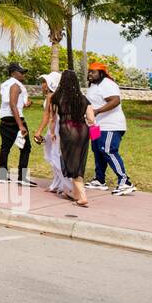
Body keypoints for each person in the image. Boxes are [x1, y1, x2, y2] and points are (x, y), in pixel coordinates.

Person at [86, 61, 134, 195]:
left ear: (101, 73)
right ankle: (99, 180)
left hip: (110, 125)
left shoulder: (107, 84)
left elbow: (115, 100)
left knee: (108, 150)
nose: (89, 74)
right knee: (97, 150)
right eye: (89, 71)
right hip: (95, 125)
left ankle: (125, 182)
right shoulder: (94, 86)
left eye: (93, 72)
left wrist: (97, 111)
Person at [52, 69, 93, 206]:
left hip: (67, 131)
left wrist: (52, 133)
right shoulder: (82, 98)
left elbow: (53, 118)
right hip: (83, 131)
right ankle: (76, 194)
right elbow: (91, 118)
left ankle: (82, 196)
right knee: (79, 162)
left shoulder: (57, 97)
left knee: (72, 163)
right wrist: (95, 135)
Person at [0, 62, 33, 186]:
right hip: (16, 119)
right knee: (26, 148)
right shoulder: (15, 85)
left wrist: (25, 104)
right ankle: (21, 178)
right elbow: (13, 105)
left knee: (5, 147)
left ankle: (2, 175)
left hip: (5, 119)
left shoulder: (6, 85)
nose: (23, 74)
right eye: (20, 72)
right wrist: (20, 125)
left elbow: (12, 103)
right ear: (13, 73)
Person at [37, 72, 70, 196]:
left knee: (56, 156)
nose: (42, 85)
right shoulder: (58, 95)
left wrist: (39, 131)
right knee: (51, 155)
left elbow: (49, 116)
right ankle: (57, 183)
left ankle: (67, 186)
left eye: (45, 82)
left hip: (56, 129)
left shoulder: (52, 96)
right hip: (54, 128)